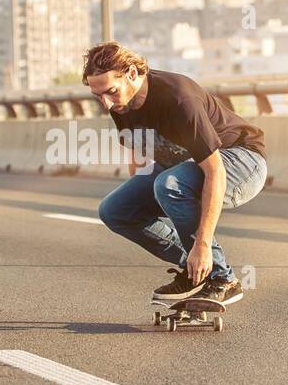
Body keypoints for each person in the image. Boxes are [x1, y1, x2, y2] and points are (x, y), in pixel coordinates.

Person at [84, 43, 268, 305]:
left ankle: (221, 278)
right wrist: (137, 198)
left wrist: (203, 245)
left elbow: (215, 171)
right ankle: (196, 272)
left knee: (168, 184)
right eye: (97, 96)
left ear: (132, 74)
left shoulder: (179, 99)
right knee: (115, 209)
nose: (106, 103)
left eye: (110, 92)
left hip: (241, 161)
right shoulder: (120, 105)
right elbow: (139, 157)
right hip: (186, 166)